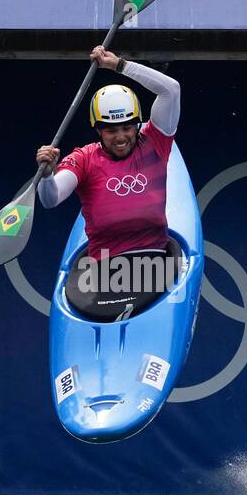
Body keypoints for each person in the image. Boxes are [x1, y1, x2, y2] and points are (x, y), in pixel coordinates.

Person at [34, 46, 182, 321]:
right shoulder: (83, 158)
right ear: (99, 129)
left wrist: (120, 65)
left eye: (127, 127)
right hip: (106, 275)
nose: (122, 136)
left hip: (156, 265)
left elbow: (171, 89)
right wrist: (46, 176)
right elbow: (50, 198)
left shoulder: (155, 141)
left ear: (137, 124)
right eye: (112, 130)